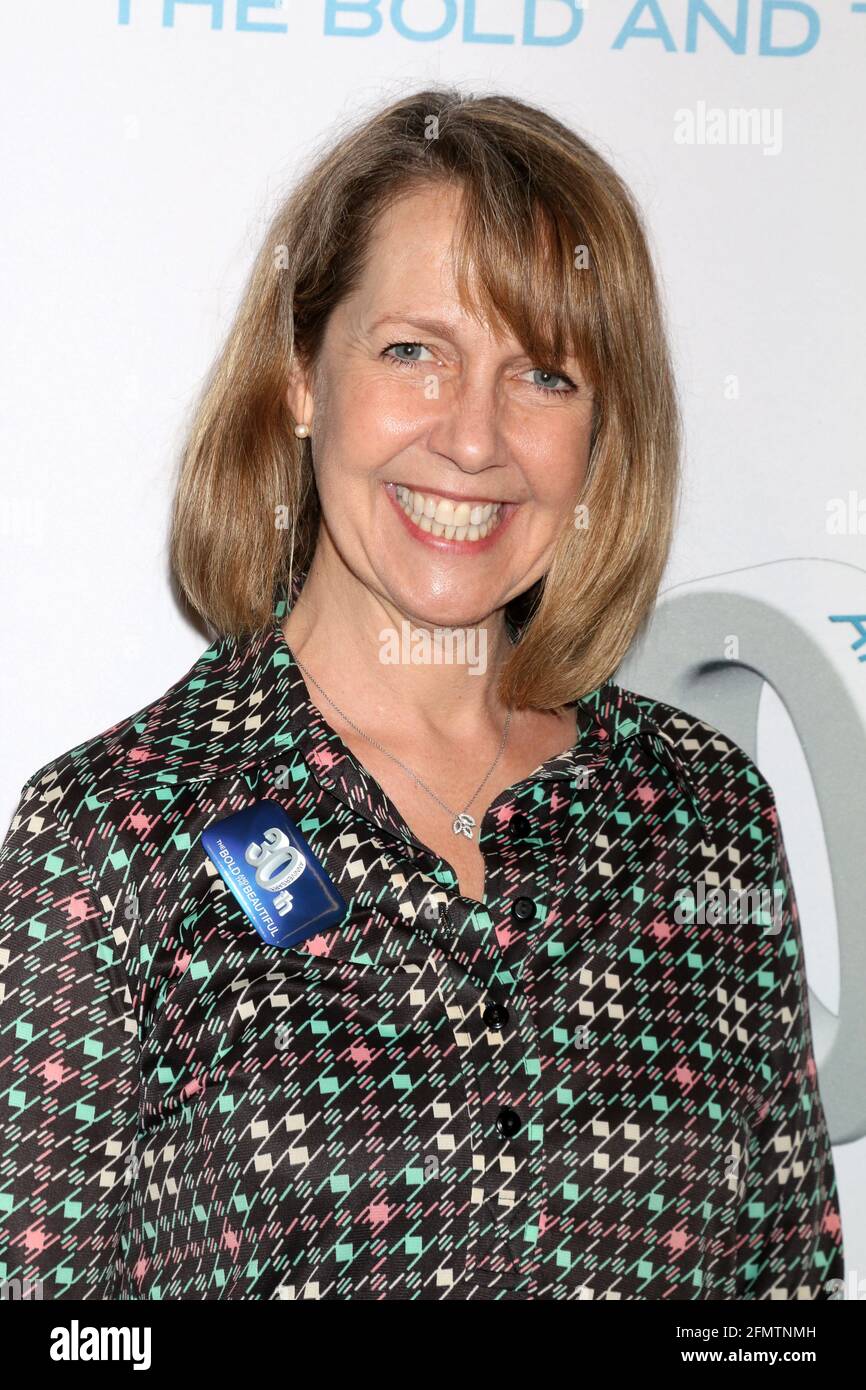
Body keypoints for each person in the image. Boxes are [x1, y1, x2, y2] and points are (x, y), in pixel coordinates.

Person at [0, 87, 843, 1301]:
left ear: (601, 430)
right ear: (299, 375)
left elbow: (782, 1307)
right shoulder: (116, 834)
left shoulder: (700, 813)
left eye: (543, 374)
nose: (472, 438)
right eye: (413, 352)